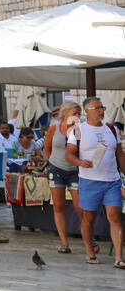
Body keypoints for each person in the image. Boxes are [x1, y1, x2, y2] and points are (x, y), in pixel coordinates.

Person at [66, 96, 123, 268]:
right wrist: (80, 162)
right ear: (87, 111)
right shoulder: (78, 129)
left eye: (102, 107)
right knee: (88, 219)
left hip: (112, 180)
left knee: (115, 217)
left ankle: (119, 257)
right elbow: (69, 154)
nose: (101, 111)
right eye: (97, 108)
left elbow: (120, 155)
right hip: (89, 181)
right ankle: (90, 251)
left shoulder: (112, 129)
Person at [43, 100, 83, 255]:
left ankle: (88, 237)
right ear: (65, 113)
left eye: (79, 114)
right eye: (75, 113)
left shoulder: (80, 130)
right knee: (58, 206)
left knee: (81, 207)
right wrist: (48, 164)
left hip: (75, 170)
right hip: (56, 169)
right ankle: (64, 242)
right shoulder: (54, 129)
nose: (78, 116)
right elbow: (47, 148)